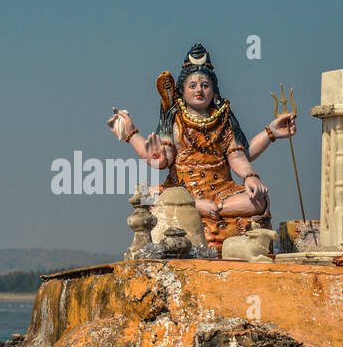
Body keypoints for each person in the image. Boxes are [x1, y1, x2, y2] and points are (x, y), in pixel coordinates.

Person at [107, 43, 296, 247]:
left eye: (205, 85)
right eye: (193, 86)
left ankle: (204, 208)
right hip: (182, 189)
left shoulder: (223, 120)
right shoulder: (175, 121)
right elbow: (163, 159)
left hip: (223, 192)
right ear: (182, 91)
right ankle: (195, 205)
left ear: (214, 91)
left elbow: (237, 155)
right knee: (146, 196)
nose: (199, 90)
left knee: (259, 199)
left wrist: (250, 176)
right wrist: (133, 136)